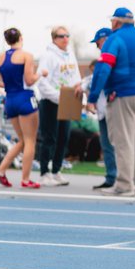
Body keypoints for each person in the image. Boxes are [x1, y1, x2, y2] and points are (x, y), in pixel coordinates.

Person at [88, 8, 135, 198]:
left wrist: (93, 96)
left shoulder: (114, 39)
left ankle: (124, 185)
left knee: (123, 141)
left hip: (123, 93)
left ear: (116, 22)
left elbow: (103, 68)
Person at [0, 28, 41, 189]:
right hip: (24, 98)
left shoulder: (0, 58)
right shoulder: (26, 56)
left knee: (23, 141)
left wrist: (2, 84)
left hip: (10, 100)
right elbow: (30, 80)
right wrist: (41, 74)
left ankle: (1, 171)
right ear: (21, 38)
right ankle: (25, 179)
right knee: (30, 140)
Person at [35, 26, 82, 186]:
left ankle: (56, 171)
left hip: (67, 101)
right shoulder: (48, 56)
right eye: (62, 36)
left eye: (67, 36)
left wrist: (77, 91)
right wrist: (58, 96)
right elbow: (42, 82)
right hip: (50, 102)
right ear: (54, 38)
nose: (65, 39)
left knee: (63, 138)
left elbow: (76, 77)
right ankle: (44, 172)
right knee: (49, 138)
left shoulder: (70, 56)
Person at [83, 27, 117, 190]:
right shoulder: (106, 56)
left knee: (116, 144)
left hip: (113, 106)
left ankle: (116, 178)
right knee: (107, 144)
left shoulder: (112, 53)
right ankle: (112, 176)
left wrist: (91, 97)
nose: (97, 46)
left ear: (104, 39)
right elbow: (93, 77)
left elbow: (101, 76)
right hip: (104, 108)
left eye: (97, 42)